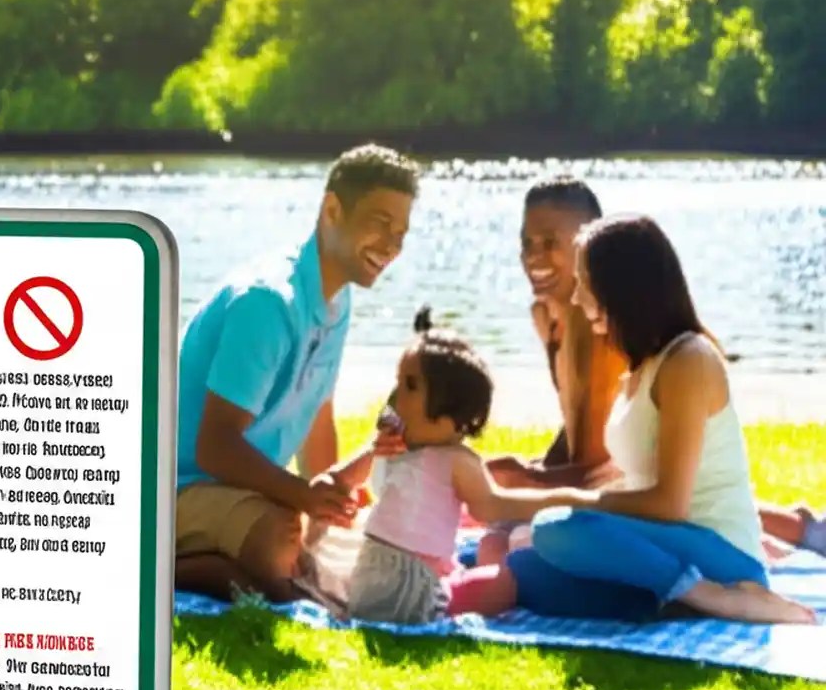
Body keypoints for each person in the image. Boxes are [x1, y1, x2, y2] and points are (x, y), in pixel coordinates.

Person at [495, 214, 816, 624]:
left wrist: (569, 503)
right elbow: (632, 486)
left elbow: (668, 504)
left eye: (585, 282)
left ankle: (715, 597)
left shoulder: (689, 360)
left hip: (721, 555)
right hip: (655, 548)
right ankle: (670, 602)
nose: (577, 299)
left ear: (622, 287)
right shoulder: (640, 368)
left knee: (554, 527)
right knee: (523, 566)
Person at [173, 143, 419, 603]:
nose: (391, 245)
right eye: (381, 223)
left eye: (401, 232)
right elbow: (214, 447)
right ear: (332, 209)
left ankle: (245, 572)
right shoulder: (268, 303)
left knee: (351, 537)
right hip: (177, 490)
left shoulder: (336, 300)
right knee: (281, 537)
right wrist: (302, 497)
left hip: (240, 493)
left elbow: (316, 417)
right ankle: (161, 563)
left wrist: (330, 506)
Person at [294, 306, 529, 623]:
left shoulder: (393, 450)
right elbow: (491, 506)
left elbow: (339, 480)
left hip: (372, 587)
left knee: (485, 544)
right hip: (412, 596)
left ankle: (471, 566)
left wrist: (370, 454)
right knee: (502, 581)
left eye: (409, 386)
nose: (393, 396)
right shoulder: (456, 459)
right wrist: (567, 500)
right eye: (399, 383)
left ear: (448, 412)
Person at [487, 175, 627, 491]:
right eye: (527, 243)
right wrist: (535, 469)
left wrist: (524, 477)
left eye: (550, 243)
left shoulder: (600, 329)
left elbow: (596, 469)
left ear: (590, 245)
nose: (534, 257)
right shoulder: (546, 316)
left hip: (627, 494)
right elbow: (575, 435)